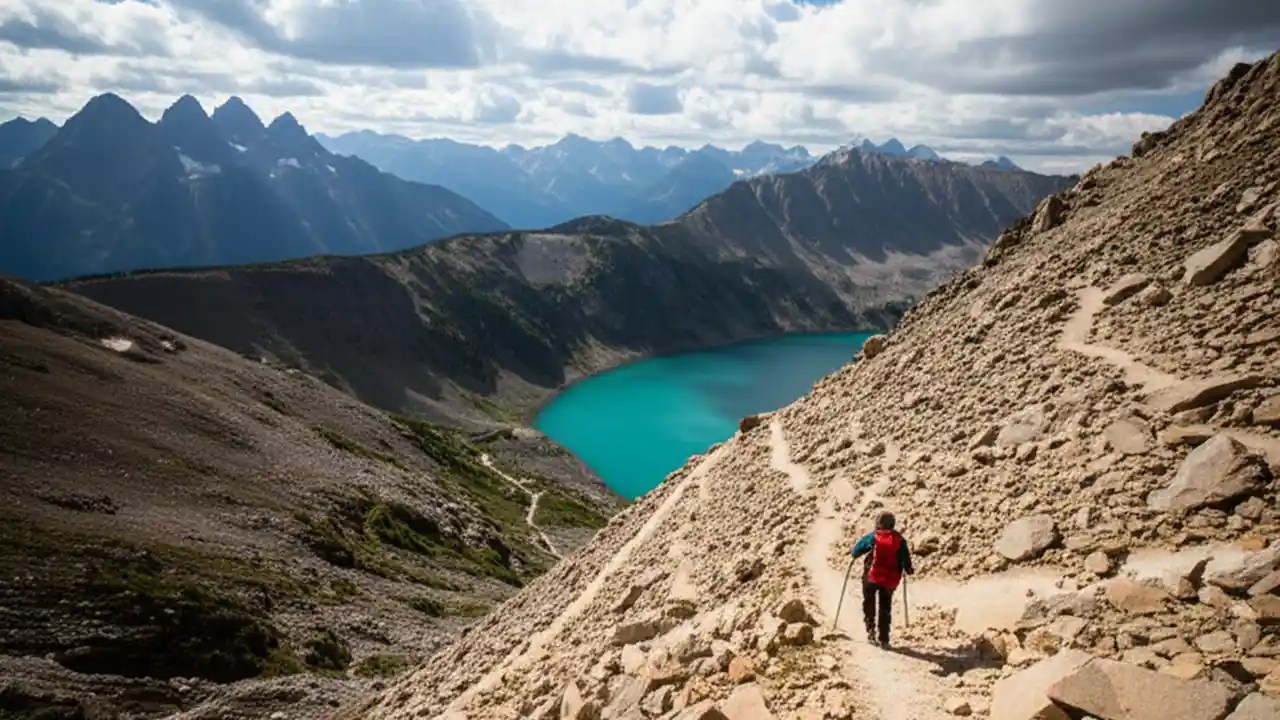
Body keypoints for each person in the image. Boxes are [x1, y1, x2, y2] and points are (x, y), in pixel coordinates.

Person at [850, 511, 913, 649]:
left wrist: (854, 553)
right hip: (889, 580)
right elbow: (907, 562)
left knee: (869, 602)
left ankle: (870, 631)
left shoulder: (873, 537)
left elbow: (855, 552)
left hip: (871, 577)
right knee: (885, 607)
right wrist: (908, 569)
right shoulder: (899, 540)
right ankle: (884, 639)